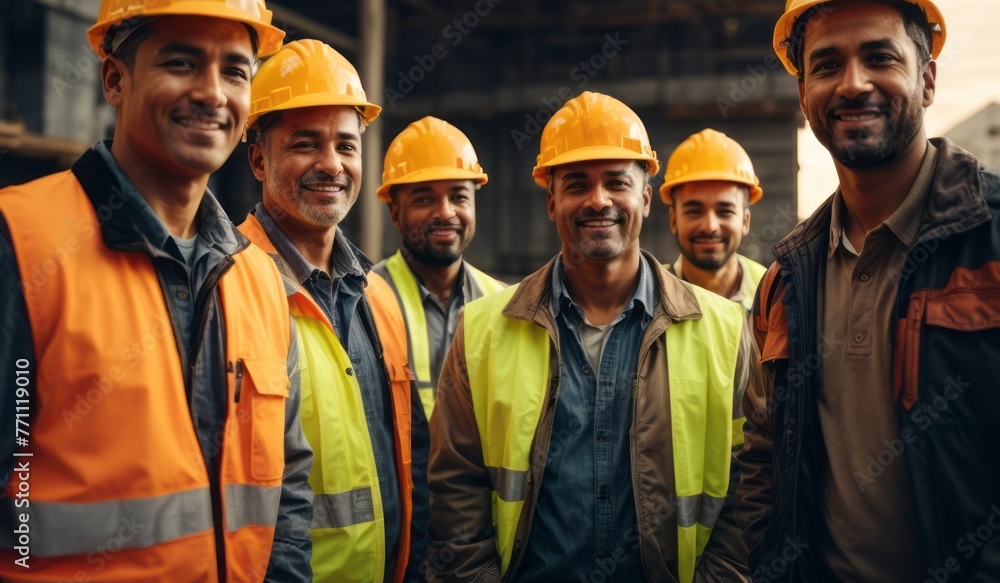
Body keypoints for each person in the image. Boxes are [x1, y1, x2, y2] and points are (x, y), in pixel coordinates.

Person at [0, 0, 312, 582]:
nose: (212, 92)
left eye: (235, 70)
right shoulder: (21, 244)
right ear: (115, 77)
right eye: (181, 62)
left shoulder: (256, 276)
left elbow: (288, 493)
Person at [736, 0, 1000, 582]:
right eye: (826, 64)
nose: (852, 83)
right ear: (803, 93)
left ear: (927, 78)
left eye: (879, 57)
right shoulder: (786, 280)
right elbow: (765, 460)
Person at [427, 91, 753, 582]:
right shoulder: (483, 330)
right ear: (552, 200)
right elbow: (455, 490)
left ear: (645, 196)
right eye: (577, 184)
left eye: (617, 182)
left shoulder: (725, 331)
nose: (598, 200)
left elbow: (753, 489)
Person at [240, 38, 425, 583]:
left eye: (346, 146)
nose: (331, 165)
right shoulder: (231, 286)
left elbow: (408, 458)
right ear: (258, 159)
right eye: (305, 144)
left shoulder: (378, 295)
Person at [371, 116, 505, 418]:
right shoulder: (363, 301)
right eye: (424, 199)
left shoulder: (503, 303)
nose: (445, 213)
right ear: (395, 213)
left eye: (458, 197)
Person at [660, 128, 766, 313]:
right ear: (673, 220)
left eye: (724, 212)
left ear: (745, 221)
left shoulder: (774, 295)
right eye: (694, 211)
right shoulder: (647, 296)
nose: (710, 227)